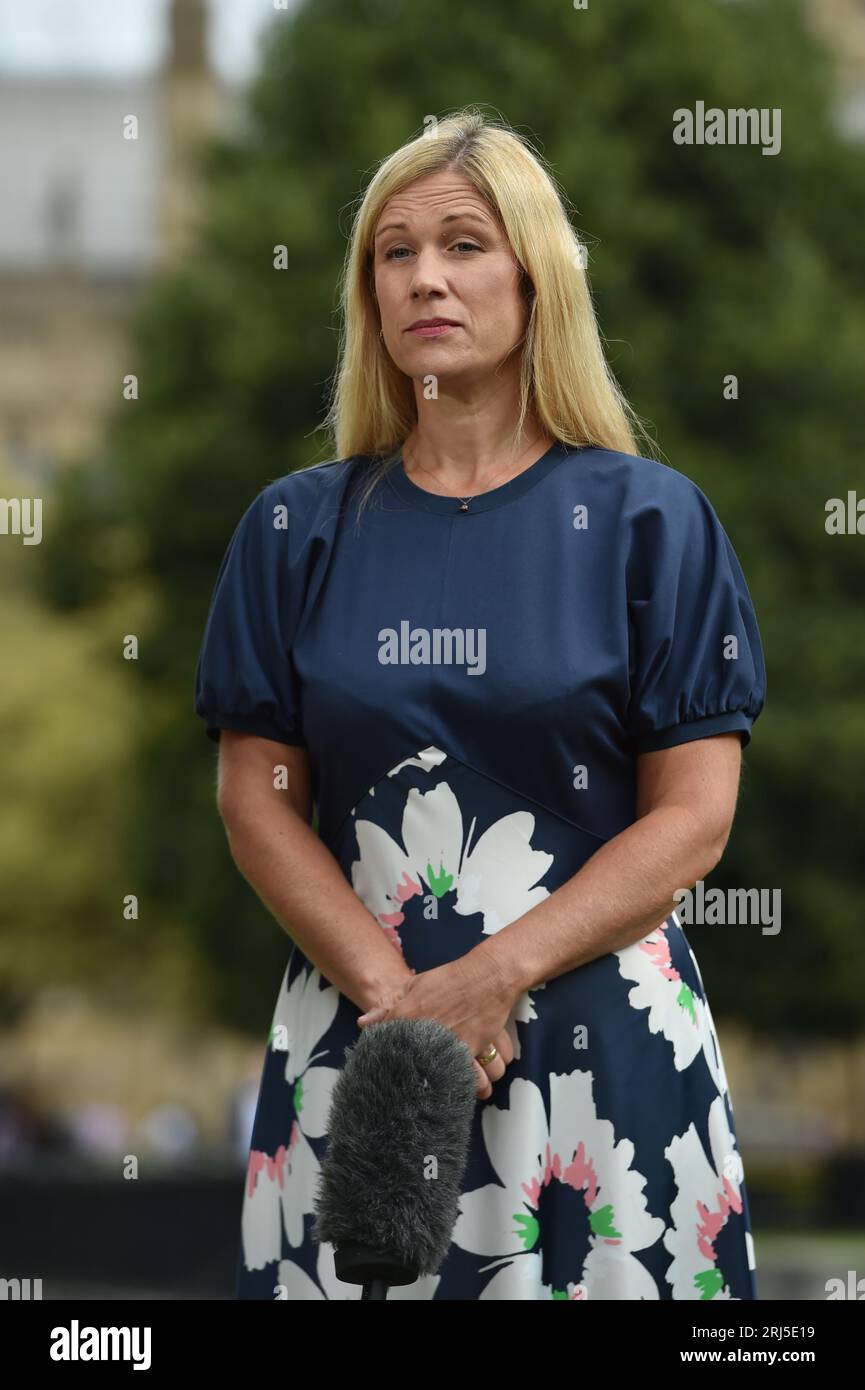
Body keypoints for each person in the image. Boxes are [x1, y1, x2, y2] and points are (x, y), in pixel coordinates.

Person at [193, 109, 766, 1300]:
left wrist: (493, 975)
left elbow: (694, 819)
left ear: (536, 276)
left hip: (601, 1050)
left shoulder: (650, 523)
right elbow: (257, 801)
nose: (424, 278)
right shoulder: (294, 530)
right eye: (393, 253)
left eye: (463, 244)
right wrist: (406, 1006)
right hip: (360, 1041)